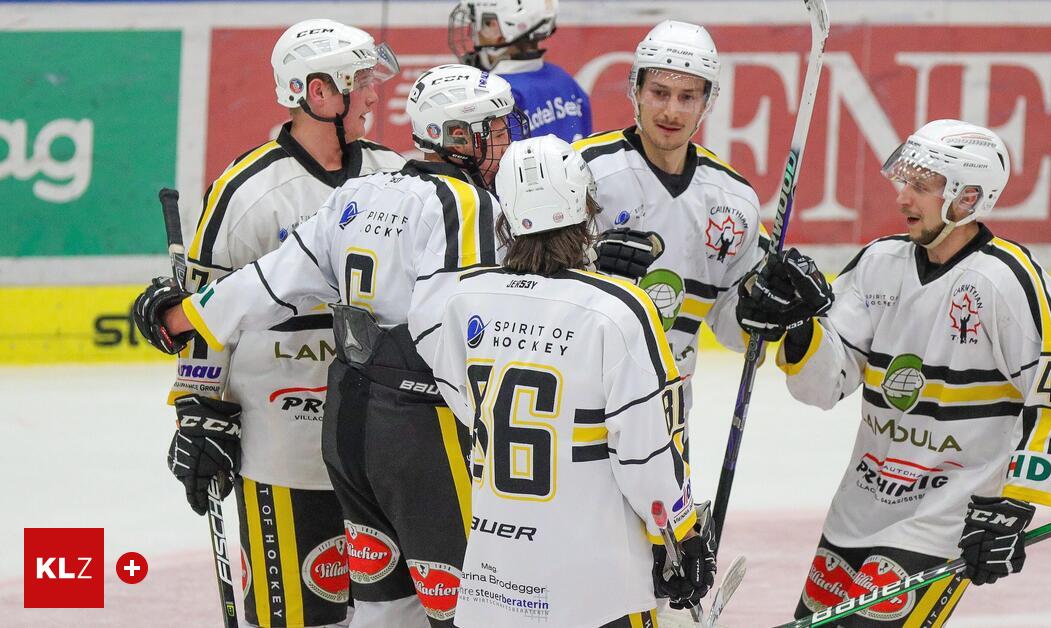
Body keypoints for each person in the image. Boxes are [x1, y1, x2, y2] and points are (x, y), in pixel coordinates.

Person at [133, 63, 527, 627]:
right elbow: (446, 329)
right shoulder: (468, 206)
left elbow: (270, 280)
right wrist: (488, 429)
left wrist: (180, 316)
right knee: (468, 606)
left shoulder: (361, 193)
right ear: (457, 136)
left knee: (381, 606)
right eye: (495, 129)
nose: (505, 143)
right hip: (423, 427)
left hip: (349, 423)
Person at [736, 120, 1051, 626]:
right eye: (905, 180)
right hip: (858, 509)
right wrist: (799, 326)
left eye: (922, 187)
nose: (903, 196)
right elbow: (824, 384)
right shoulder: (879, 263)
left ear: (968, 198)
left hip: (941, 518)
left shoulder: (1006, 280)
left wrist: (1012, 508)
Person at [408, 135, 715, 627]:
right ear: (585, 207)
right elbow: (645, 453)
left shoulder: (465, 299)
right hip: (595, 592)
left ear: (505, 214)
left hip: (493, 585)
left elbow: (469, 407)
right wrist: (681, 533)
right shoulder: (617, 309)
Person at [166, 18, 406, 628]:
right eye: (359, 81)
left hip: (380, 447)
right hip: (281, 449)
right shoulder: (246, 190)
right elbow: (202, 318)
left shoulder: (397, 177)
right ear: (318, 92)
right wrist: (196, 407)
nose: (374, 94)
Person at [573, 20, 765, 417]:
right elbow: (525, 286)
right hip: (578, 396)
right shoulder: (580, 171)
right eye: (659, 92)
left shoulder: (733, 198)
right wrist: (586, 271)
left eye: (687, 96)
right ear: (636, 91)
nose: (671, 110)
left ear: (707, 102)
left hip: (668, 411)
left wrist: (765, 311)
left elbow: (735, 333)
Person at [449, 0, 592, 141]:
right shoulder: (564, 80)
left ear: (495, 27)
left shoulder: (496, 93)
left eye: (477, 24)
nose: (474, 34)